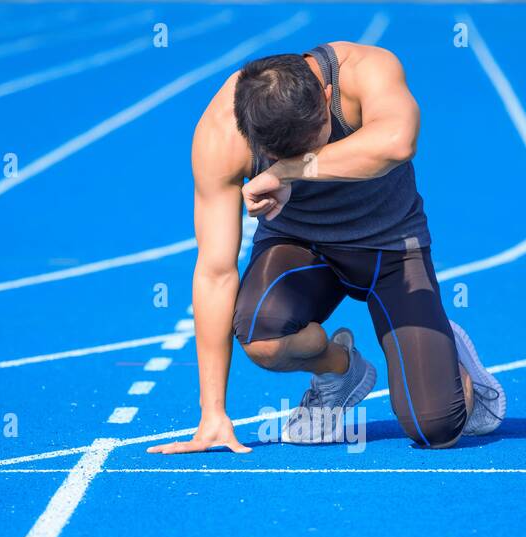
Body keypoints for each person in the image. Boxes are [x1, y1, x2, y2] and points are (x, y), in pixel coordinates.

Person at [149, 41, 505, 456]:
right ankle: (341, 370)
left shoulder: (365, 69)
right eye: (280, 154)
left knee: (436, 429)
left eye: (309, 144)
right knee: (261, 338)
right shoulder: (222, 133)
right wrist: (212, 413)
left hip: (392, 249)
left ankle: (451, 360)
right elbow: (215, 271)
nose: (298, 157)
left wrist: (288, 169)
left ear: (326, 98)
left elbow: (398, 142)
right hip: (300, 245)